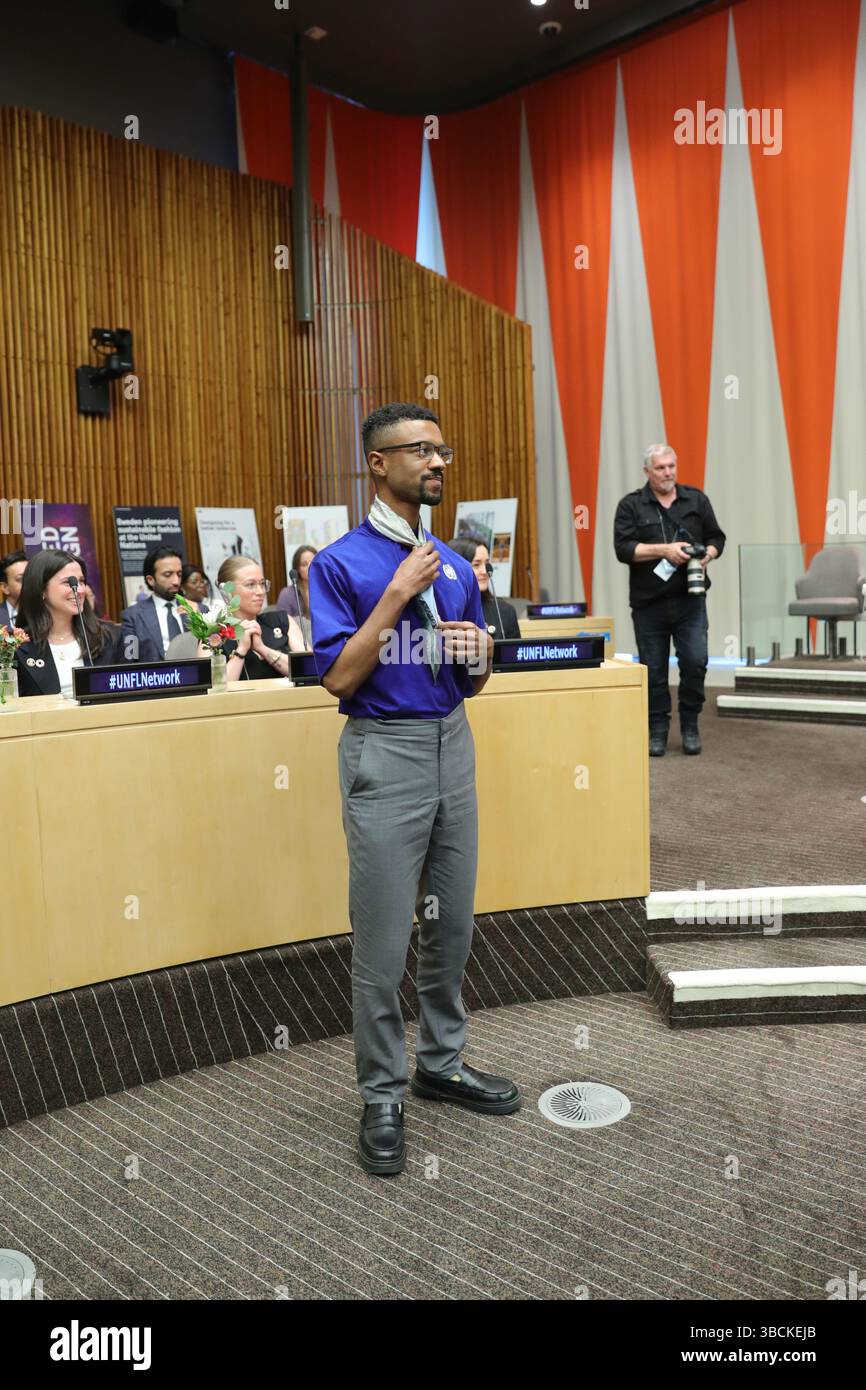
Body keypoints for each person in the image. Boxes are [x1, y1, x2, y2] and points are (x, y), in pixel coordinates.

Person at [309, 401, 521, 1178]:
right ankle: (381, 1094)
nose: (436, 463)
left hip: (450, 748)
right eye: (420, 451)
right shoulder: (341, 564)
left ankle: (442, 1063)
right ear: (378, 464)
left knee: (452, 924)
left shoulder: (459, 566)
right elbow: (336, 675)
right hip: (384, 753)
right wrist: (397, 593)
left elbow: (471, 684)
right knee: (384, 936)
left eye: (442, 450)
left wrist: (481, 652)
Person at [614, 443, 726, 756]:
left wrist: (707, 555)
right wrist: (664, 550)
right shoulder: (631, 506)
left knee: (695, 662)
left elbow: (717, 538)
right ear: (647, 471)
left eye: (671, 467)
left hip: (691, 600)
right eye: (661, 468)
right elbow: (624, 550)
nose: (668, 473)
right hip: (649, 603)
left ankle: (690, 723)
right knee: (653, 670)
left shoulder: (696, 499)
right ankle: (657, 729)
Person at [14, 550, 122, 697]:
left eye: (82, 581)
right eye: (68, 583)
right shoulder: (16, 646)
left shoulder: (111, 636)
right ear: (41, 589)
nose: (80, 590)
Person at [218, 555, 306, 680]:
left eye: (262, 584)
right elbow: (212, 691)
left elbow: (310, 669)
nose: (260, 592)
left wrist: (262, 649)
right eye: (250, 585)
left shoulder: (281, 620)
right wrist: (241, 650)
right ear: (226, 590)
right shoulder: (213, 635)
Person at [120, 546, 190, 662]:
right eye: (168, 575)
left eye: (179, 574)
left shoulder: (197, 609)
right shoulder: (133, 616)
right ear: (150, 580)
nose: (176, 581)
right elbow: (130, 660)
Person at [450, 536, 521, 639]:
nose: (484, 572)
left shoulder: (505, 612)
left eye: (487, 564)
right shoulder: (442, 610)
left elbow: (513, 653)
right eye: (476, 565)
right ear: (456, 568)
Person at [276, 545, 318, 622]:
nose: (310, 566)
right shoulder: (287, 594)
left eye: (313, 562)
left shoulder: (327, 590)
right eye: (304, 564)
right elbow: (282, 623)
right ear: (297, 569)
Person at [0, 549, 27, 630]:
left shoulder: (49, 613)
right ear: (5, 588)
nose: (29, 582)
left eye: (30, 576)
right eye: (21, 579)